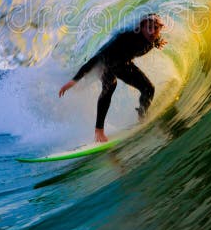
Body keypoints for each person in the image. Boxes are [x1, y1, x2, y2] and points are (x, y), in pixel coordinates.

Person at [59, 14, 167, 142]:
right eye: (149, 27)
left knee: (148, 89)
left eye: (156, 28)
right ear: (141, 27)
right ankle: (98, 131)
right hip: (105, 62)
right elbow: (97, 59)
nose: (152, 31)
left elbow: (155, 38)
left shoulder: (154, 37)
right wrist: (74, 80)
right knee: (110, 85)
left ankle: (141, 116)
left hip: (123, 64)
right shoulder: (126, 38)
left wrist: (158, 42)